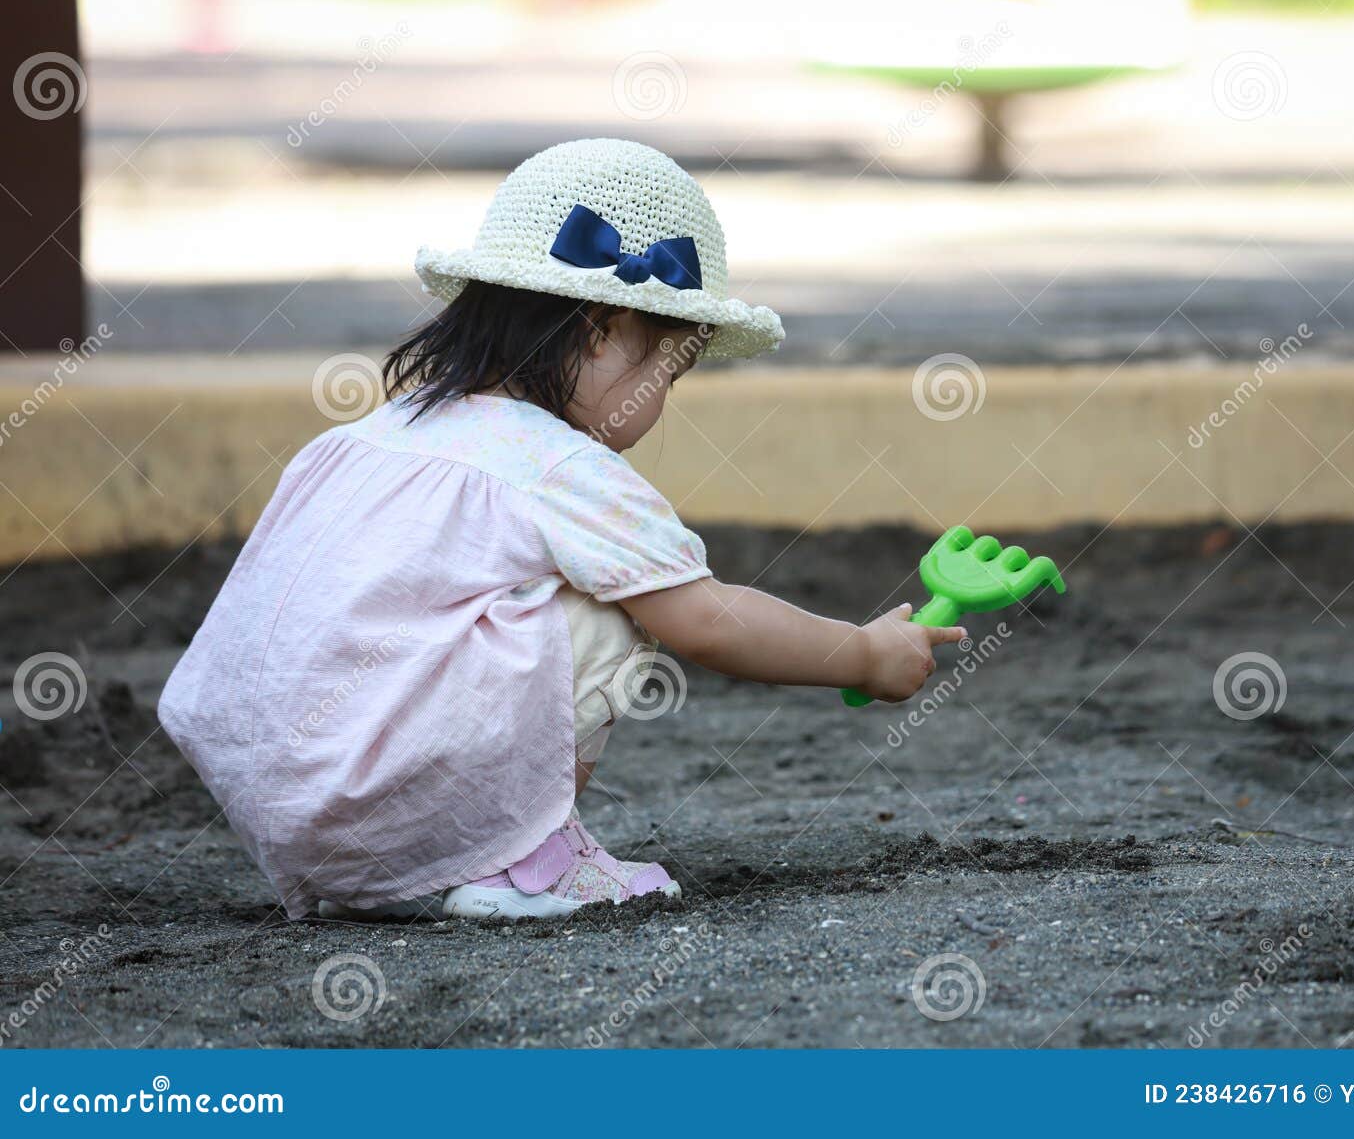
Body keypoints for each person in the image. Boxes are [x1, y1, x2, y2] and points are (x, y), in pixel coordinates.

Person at [158, 138, 965, 921]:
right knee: (621, 604)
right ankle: (520, 863)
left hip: (282, 809)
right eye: (668, 372)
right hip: (384, 797)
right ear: (599, 331)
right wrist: (861, 652)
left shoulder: (359, 439)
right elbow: (708, 621)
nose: (659, 406)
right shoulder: (562, 468)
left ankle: (406, 868)